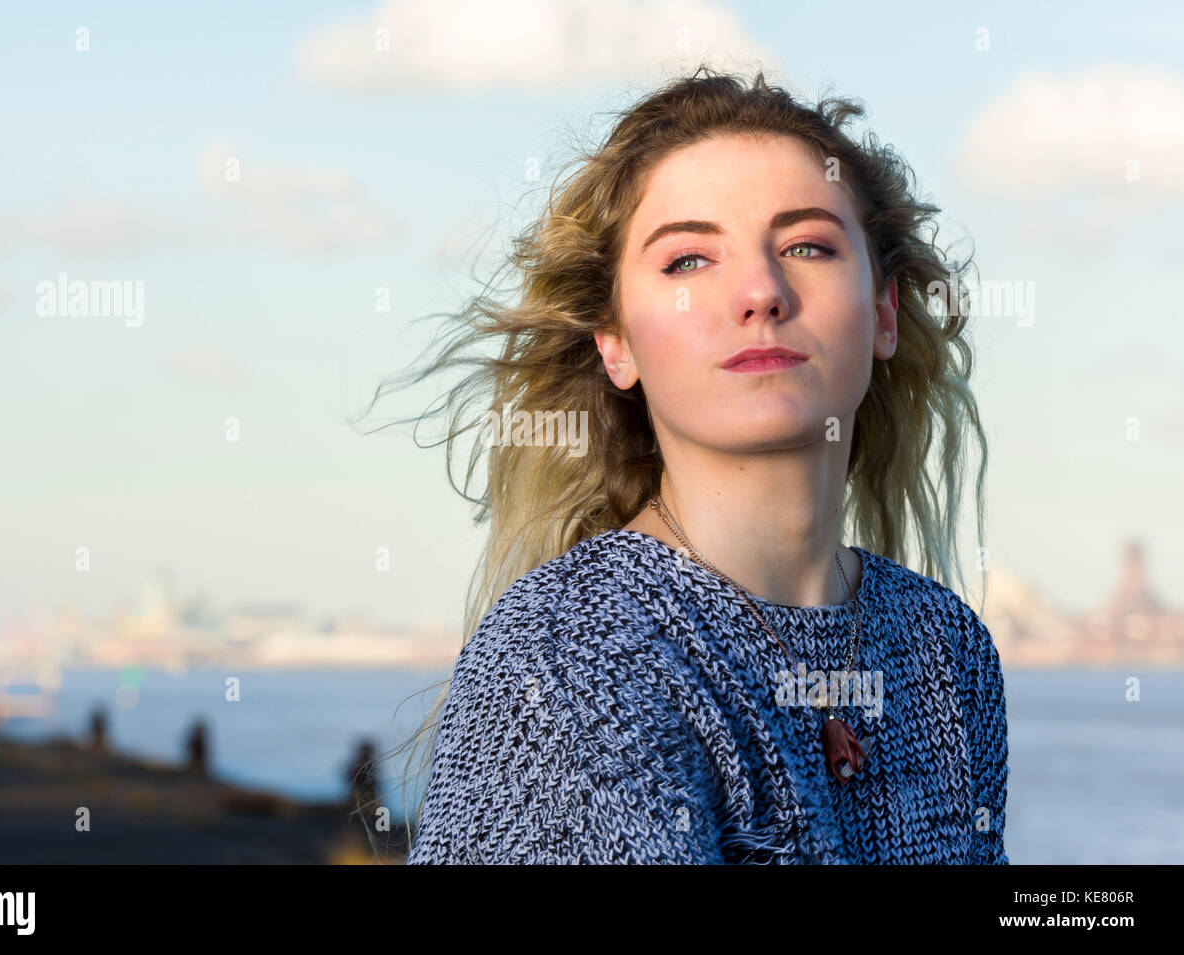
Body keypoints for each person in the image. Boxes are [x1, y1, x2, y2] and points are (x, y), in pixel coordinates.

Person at [367, 64, 1007, 864]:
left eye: (807, 244)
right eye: (688, 261)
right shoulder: (567, 657)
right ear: (617, 343)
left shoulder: (945, 647)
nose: (761, 292)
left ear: (884, 311)